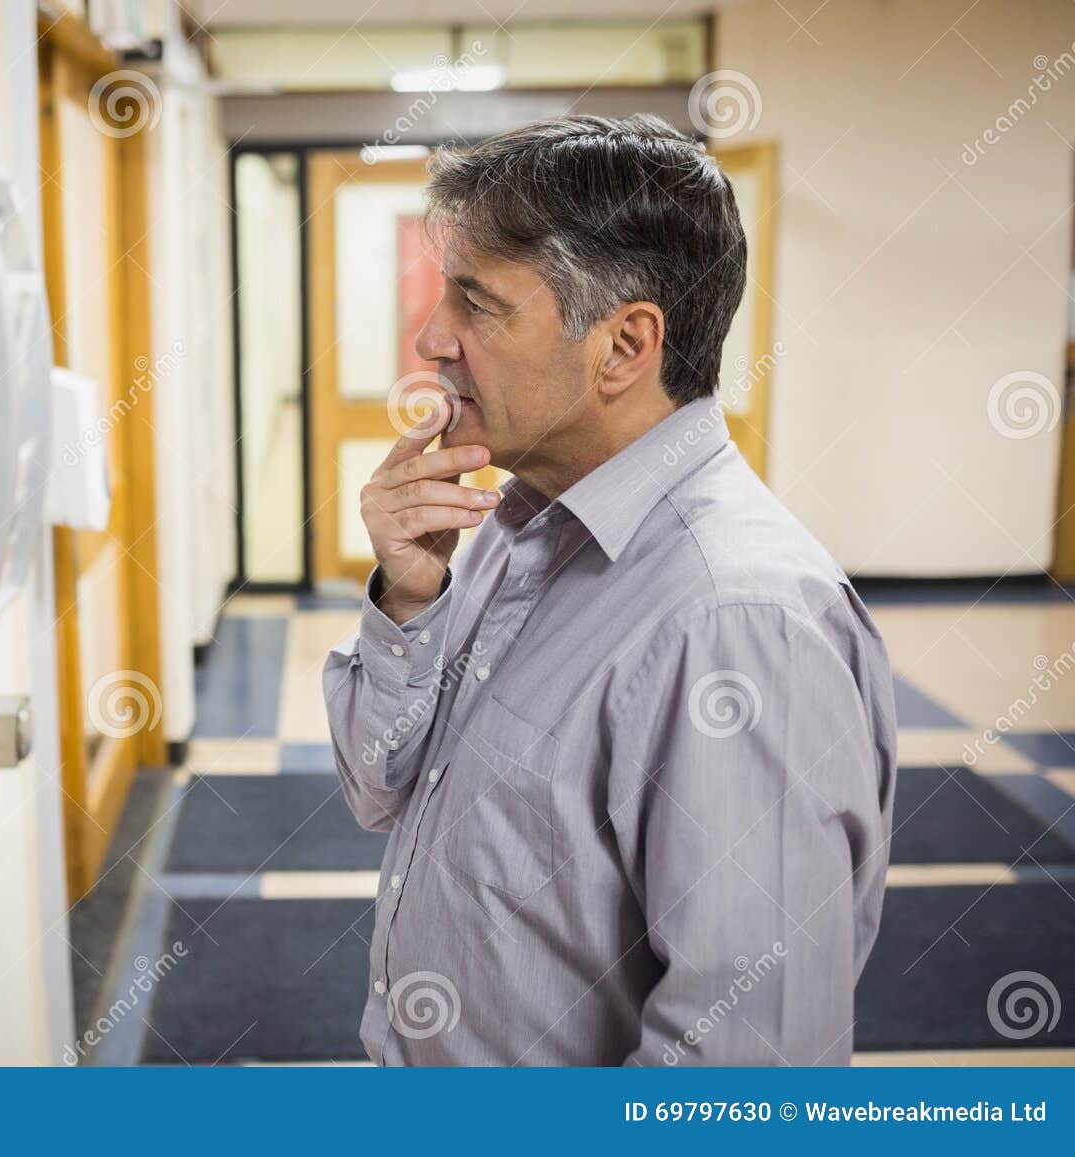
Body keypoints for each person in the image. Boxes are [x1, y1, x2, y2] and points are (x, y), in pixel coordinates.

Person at [323, 114, 896, 1065]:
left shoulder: (737, 623)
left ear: (624, 346)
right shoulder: (522, 524)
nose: (432, 337)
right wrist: (410, 600)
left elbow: (749, 1078)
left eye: (476, 302)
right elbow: (378, 788)